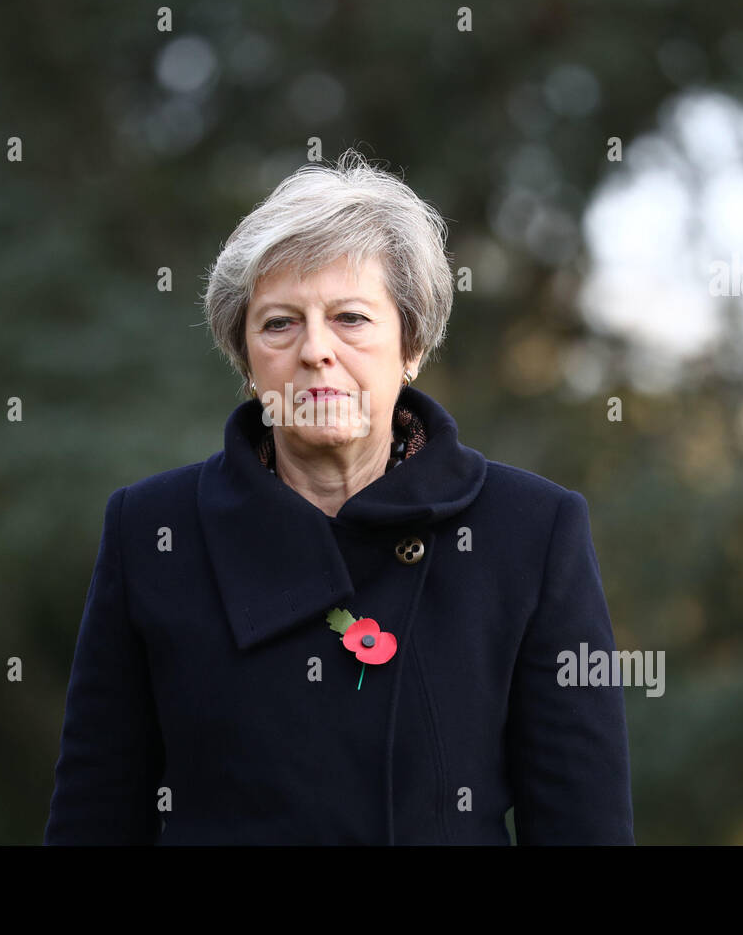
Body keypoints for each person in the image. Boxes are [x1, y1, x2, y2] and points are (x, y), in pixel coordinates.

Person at [44, 148, 634, 845]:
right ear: (246, 359)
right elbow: (95, 819)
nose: (316, 350)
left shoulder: (530, 533)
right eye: (279, 322)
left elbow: (582, 827)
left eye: (351, 318)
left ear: (410, 343)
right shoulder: (152, 532)